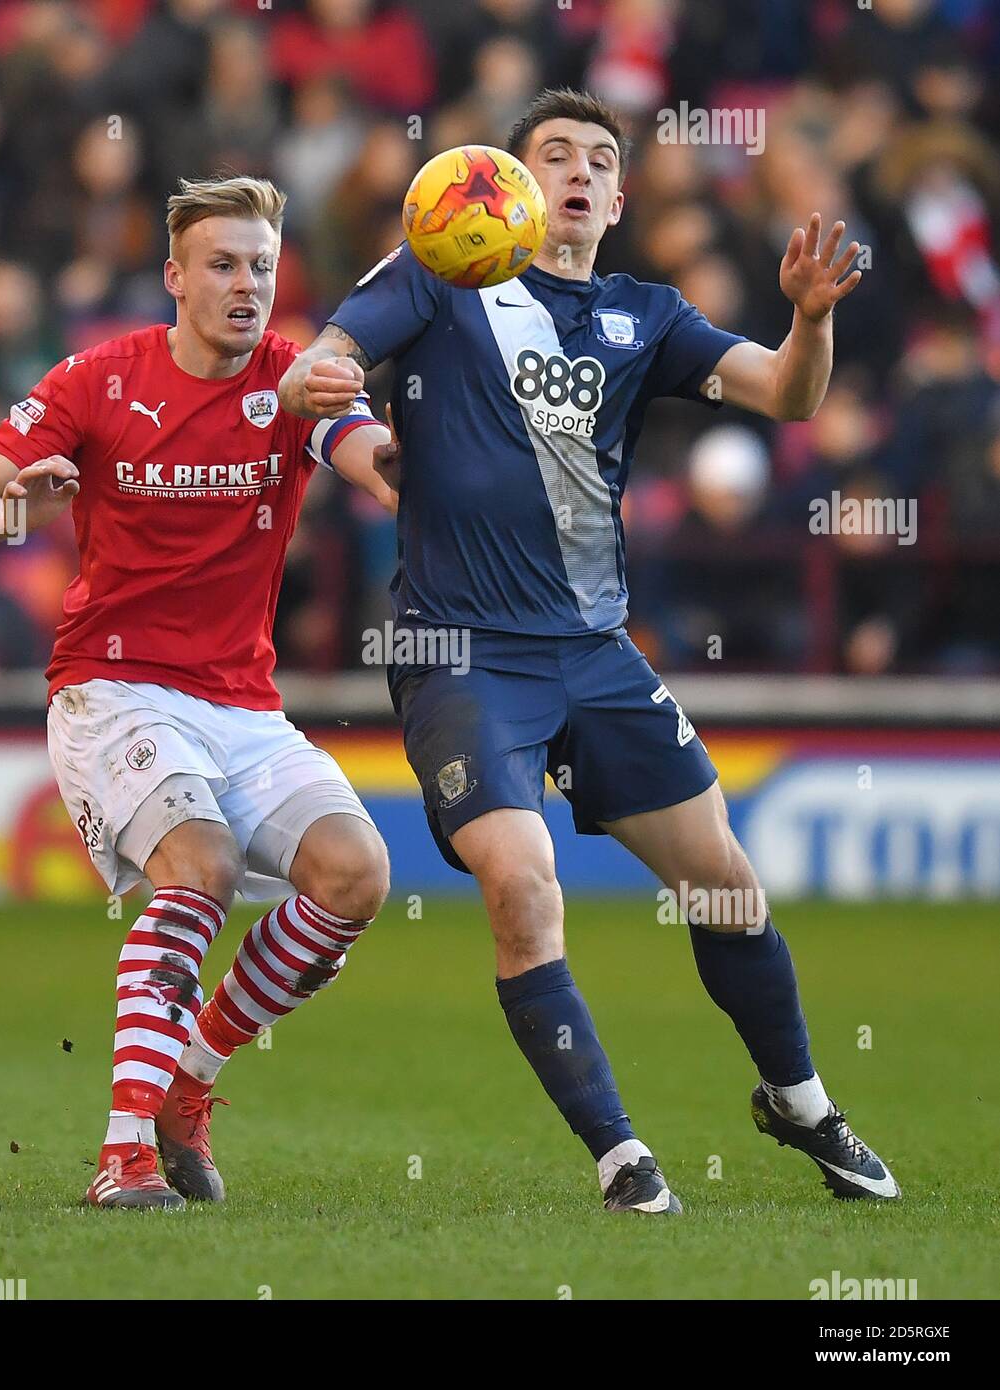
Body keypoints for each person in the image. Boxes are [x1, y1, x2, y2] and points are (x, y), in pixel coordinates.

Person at [280, 88, 899, 1213]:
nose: (575, 169)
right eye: (550, 153)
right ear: (507, 184)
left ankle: (798, 1099)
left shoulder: (643, 314)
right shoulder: (437, 273)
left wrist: (807, 320)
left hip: (594, 650)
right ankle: (622, 1158)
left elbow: (785, 397)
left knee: (723, 886)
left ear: (617, 198)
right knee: (523, 887)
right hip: (461, 652)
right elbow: (323, 353)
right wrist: (323, 380)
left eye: (596, 158)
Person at [0, 175, 396, 1210]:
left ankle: (192, 1078)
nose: (244, 286)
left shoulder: (295, 381)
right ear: (174, 276)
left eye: (261, 268)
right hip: (112, 687)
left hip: (241, 702)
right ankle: (123, 1151)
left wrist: (422, 460)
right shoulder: (96, 380)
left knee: (355, 874)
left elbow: (372, 458)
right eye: (222, 265)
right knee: (201, 865)